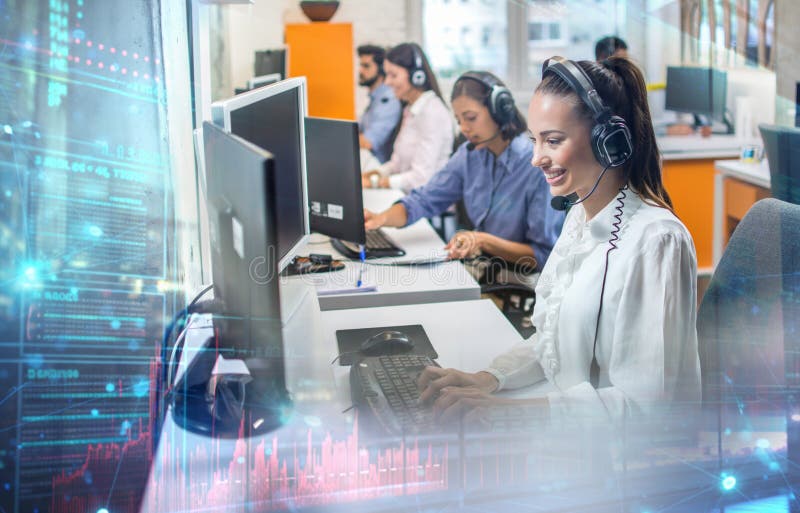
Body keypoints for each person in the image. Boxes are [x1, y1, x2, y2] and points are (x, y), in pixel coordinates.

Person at [416, 56, 701, 430]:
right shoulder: (579, 216)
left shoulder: (657, 241)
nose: (536, 159)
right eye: (535, 140)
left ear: (608, 141)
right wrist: (487, 378)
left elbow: (644, 408)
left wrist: (508, 412)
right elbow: (554, 342)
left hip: (622, 467)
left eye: (552, 140)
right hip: (571, 434)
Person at [364, 71, 562, 273]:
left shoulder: (537, 166)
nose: (464, 128)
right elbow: (424, 200)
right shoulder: (470, 154)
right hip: (484, 269)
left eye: (470, 118)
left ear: (500, 110)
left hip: (522, 281)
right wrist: (381, 219)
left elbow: (543, 256)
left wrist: (483, 241)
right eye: (459, 121)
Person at [361, 43, 454, 193]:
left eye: (393, 75)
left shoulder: (432, 112)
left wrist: (376, 183)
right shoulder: (411, 109)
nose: (387, 82)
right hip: (408, 195)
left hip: (428, 206)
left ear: (416, 76)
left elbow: (421, 178)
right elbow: (397, 164)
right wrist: (374, 174)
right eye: (386, 75)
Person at [357, 45, 402, 164]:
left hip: (377, 168)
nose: (360, 71)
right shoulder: (375, 99)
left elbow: (368, 142)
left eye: (366, 66)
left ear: (381, 69)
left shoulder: (389, 100)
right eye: (360, 65)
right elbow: (358, 129)